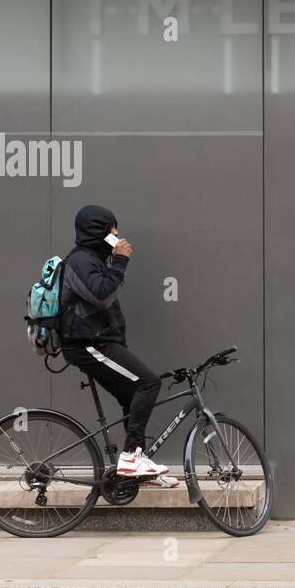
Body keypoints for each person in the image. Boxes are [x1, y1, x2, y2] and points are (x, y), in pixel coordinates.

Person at [59, 205, 179, 487]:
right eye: (111, 228)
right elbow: (101, 296)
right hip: (86, 343)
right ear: (97, 230)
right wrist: (120, 262)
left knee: (132, 394)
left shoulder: (95, 260)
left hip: (99, 341)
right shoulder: (79, 261)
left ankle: (137, 468)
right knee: (149, 383)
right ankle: (131, 457)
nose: (116, 233)